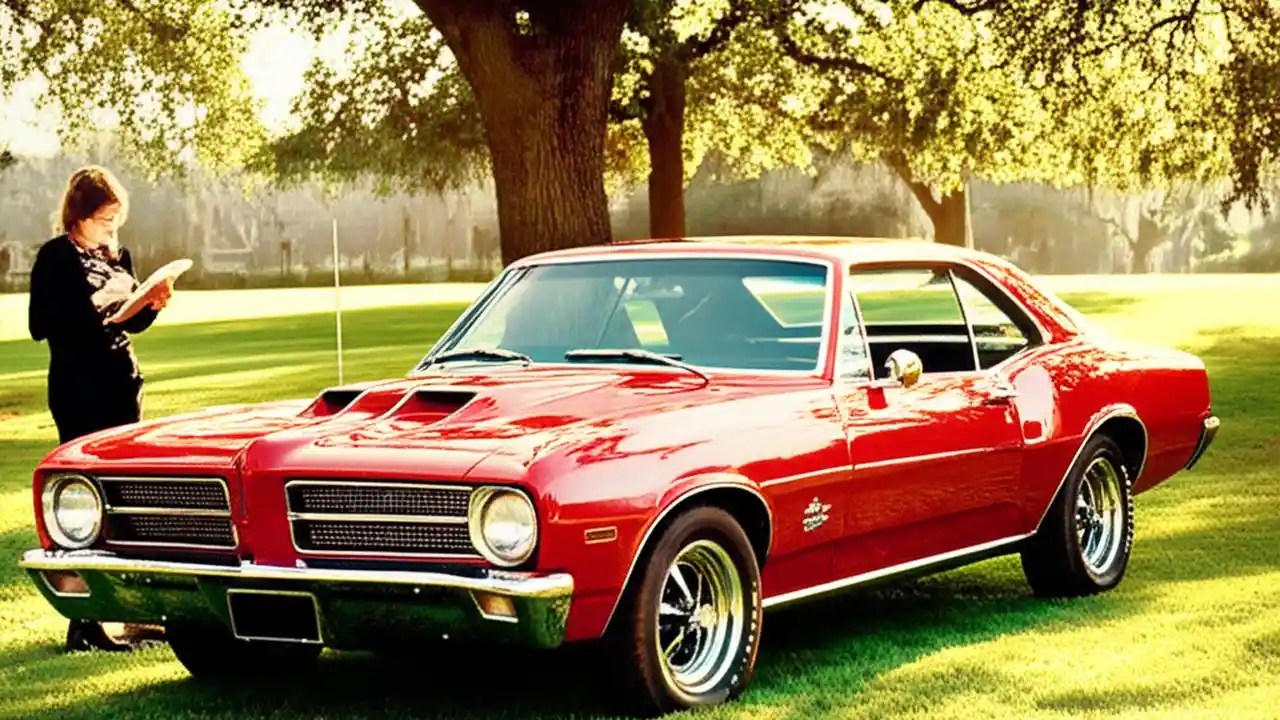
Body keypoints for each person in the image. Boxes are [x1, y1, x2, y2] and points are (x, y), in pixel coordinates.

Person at [27, 165, 175, 652]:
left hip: (121, 383)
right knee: (82, 501)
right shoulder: (56, 257)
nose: (112, 227)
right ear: (80, 216)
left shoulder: (118, 255)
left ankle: (132, 613)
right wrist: (95, 309)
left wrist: (150, 305)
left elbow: (129, 324)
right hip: (78, 386)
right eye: (105, 219)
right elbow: (40, 325)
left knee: (125, 498)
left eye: (117, 219)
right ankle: (84, 622)